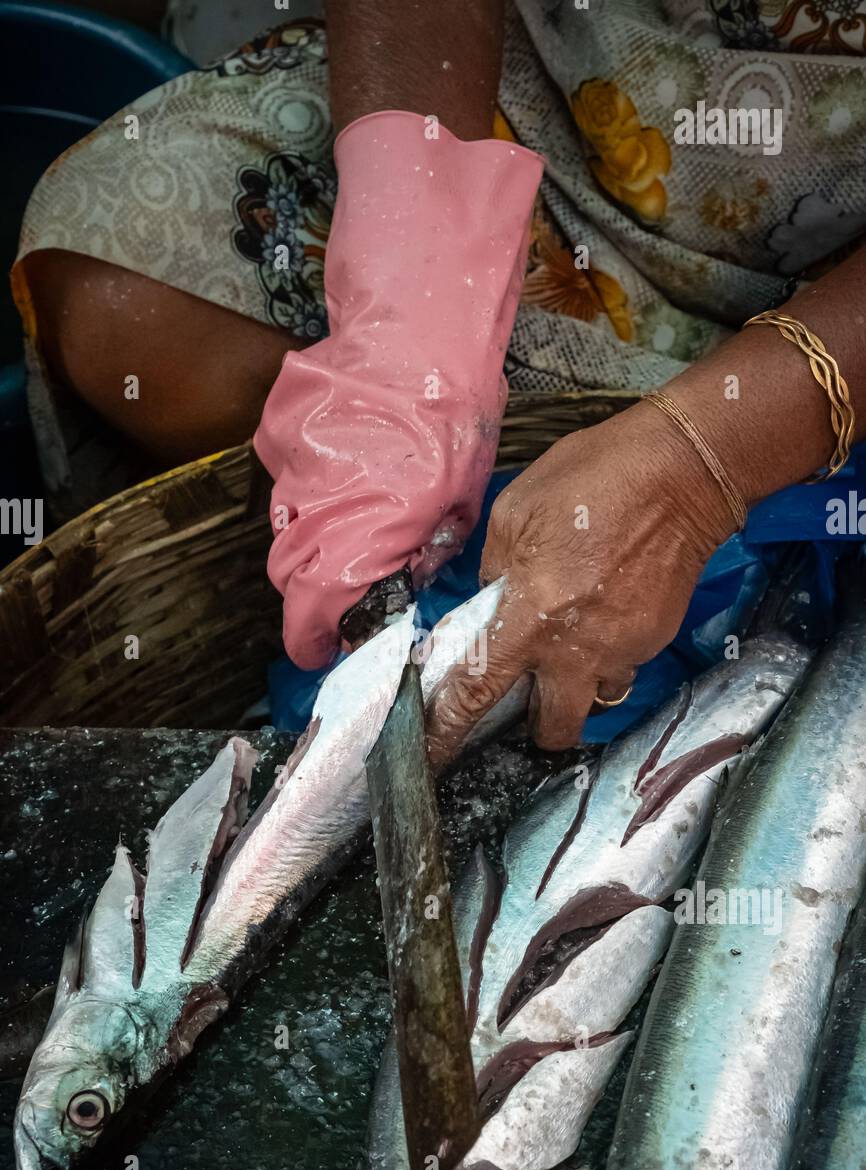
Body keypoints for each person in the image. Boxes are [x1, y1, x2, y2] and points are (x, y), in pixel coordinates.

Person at [13, 1, 866, 759]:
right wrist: (406, 329)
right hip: (559, 109)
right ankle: (474, 521)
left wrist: (695, 466)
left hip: (837, 270)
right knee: (119, 304)